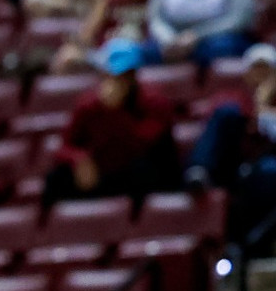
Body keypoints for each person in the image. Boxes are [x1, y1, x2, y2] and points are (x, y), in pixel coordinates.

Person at [43, 39, 182, 206]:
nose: (118, 80)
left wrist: (114, 111)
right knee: (56, 178)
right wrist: (79, 159)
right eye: (111, 74)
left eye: (125, 75)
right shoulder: (89, 105)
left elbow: (139, 145)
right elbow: (65, 146)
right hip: (100, 173)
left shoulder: (155, 103)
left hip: (140, 174)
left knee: (144, 169)